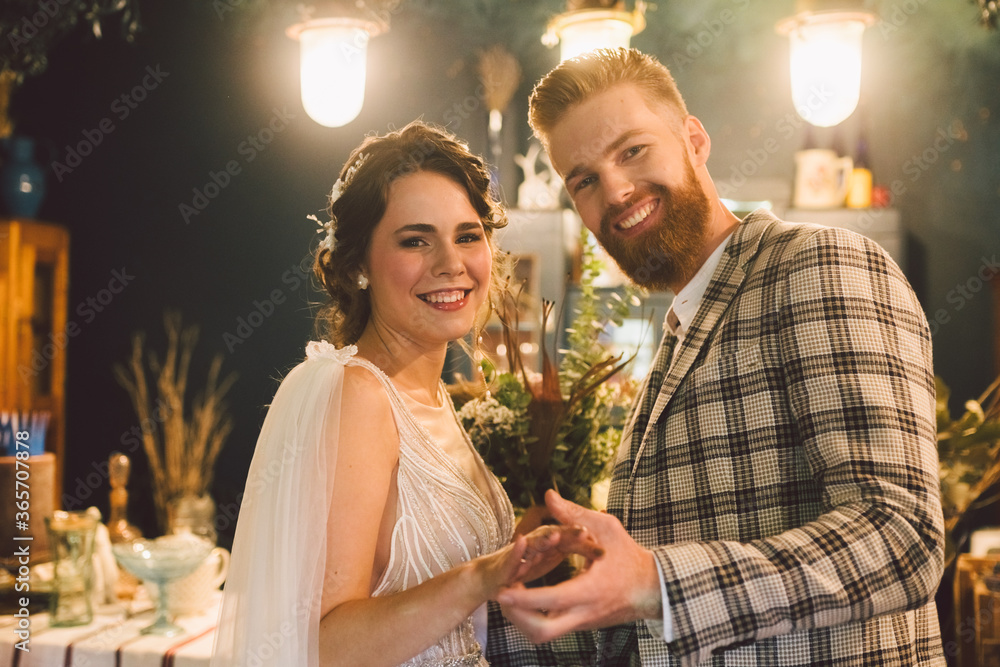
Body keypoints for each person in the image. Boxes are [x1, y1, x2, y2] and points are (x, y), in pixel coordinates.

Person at [490, 48, 946, 666]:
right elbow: (648, 635)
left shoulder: (817, 264)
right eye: (585, 180)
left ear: (695, 141)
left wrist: (656, 583)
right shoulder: (684, 329)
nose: (617, 191)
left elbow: (901, 539)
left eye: (632, 151)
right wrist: (505, 597)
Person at [211, 121, 602, 667]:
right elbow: (323, 646)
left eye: (467, 236)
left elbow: (411, 576)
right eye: (415, 240)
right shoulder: (360, 395)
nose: (451, 263)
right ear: (357, 266)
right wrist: (482, 577)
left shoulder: (434, 394)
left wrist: (524, 545)